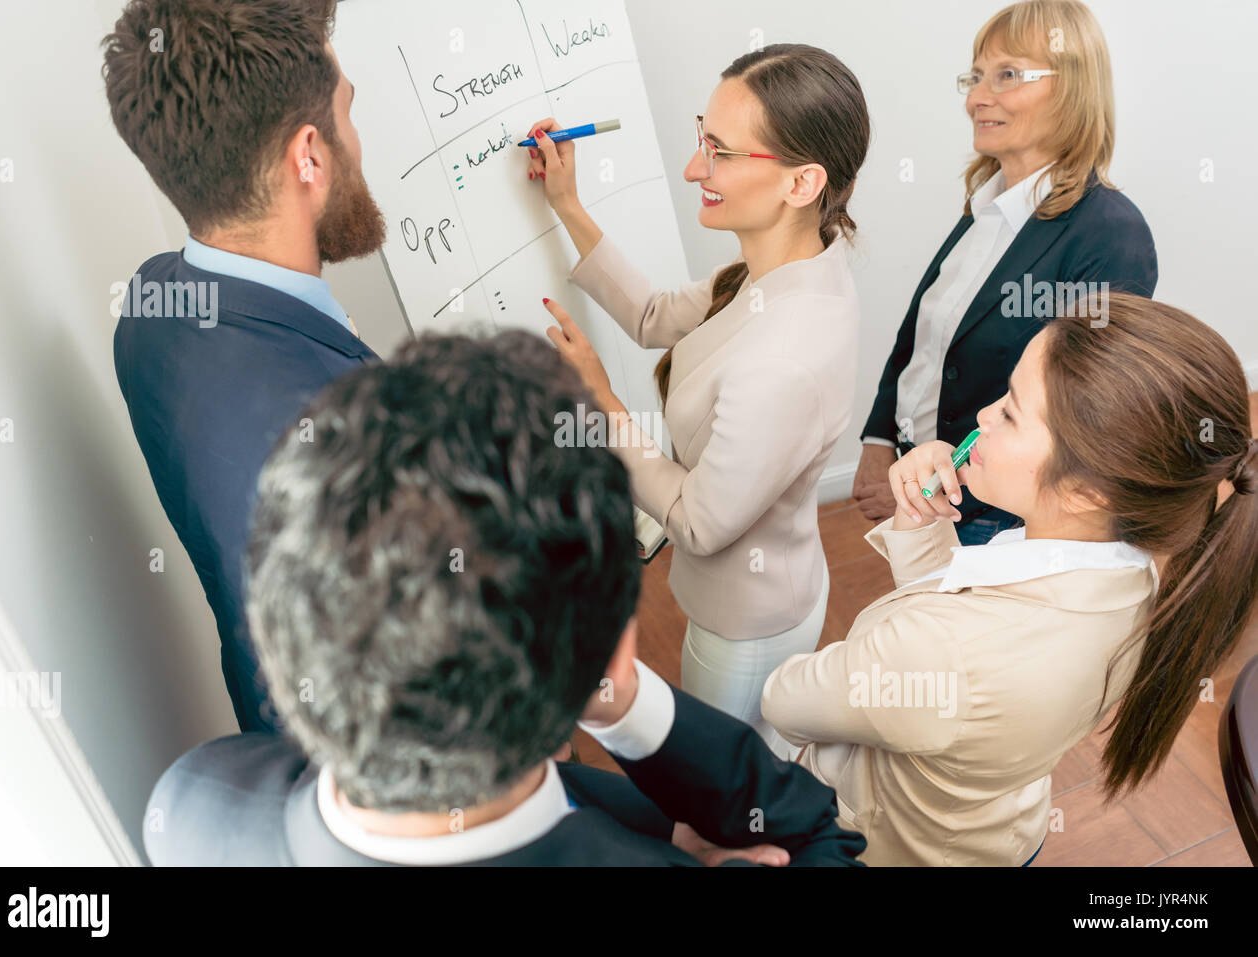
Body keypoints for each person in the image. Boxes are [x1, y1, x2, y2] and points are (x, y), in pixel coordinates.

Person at [142, 331, 867, 867]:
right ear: (613, 640)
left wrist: (651, 836)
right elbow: (819, 837)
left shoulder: (194, 798)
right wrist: (619, 705)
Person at [762, 293, 1258, 866]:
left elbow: (784, 698)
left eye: (1010, 413)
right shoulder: (1136, 570)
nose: (982, 417)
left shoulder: (945, 652)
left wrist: (872, 652)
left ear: (1086, 492)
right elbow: (972, 626)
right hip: (998, 829)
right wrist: (923, 527)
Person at [527, 44, 870, 755]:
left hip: (745, 623)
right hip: (778, 583)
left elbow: (700, 523)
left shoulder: (787, 352)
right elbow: (653, 314)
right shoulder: (783, 266)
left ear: (802, 181)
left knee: (716, 799)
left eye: (718, 150)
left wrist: (601, 403)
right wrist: (567, 203)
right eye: (699, 138)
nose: (693, 169)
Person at [101, 0, 387, 731]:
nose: (359, 133)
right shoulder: (352, 442)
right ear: (309, 156)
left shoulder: (150, 302)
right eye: (348, 109)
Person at [852, 0, 1157, 546]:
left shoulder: (1111, 232)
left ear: (1072, 87)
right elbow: (924, 335)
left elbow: (1076, 415)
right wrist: (881, 440)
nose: (975, 99)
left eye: (1008, 75)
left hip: (994, 519)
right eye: (975, 77)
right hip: (927, 495)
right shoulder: (984, 206)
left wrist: (940, 489)